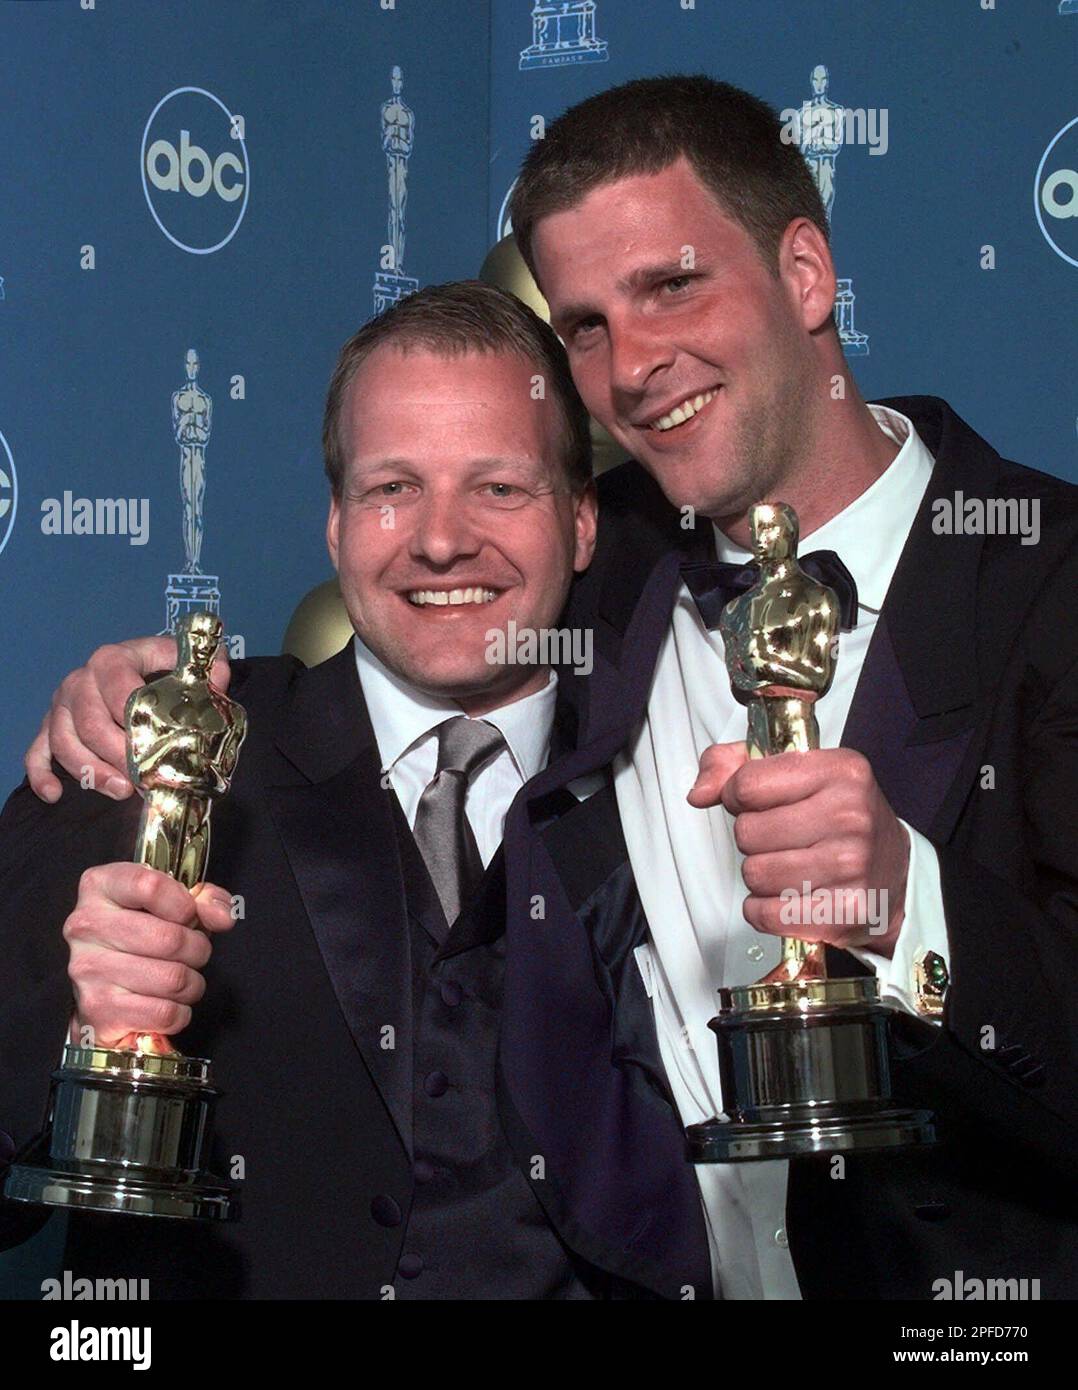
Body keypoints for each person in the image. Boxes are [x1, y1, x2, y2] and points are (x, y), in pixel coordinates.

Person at [21, 75, 1078, 1299]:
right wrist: (128, 709)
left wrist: (911, 902)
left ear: (803, 274)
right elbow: (431, 587)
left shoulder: (1042, 580)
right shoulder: (603, 554)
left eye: (671, 286)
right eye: (582, 325)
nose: (631, 368)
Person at [0, 280, 711, 1300]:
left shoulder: (686, 766)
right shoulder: (149, 752)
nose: (439, 539)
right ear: (335, 525)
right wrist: (75, 1031)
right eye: (392, 488)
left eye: (499, 487)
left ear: (584, 521)